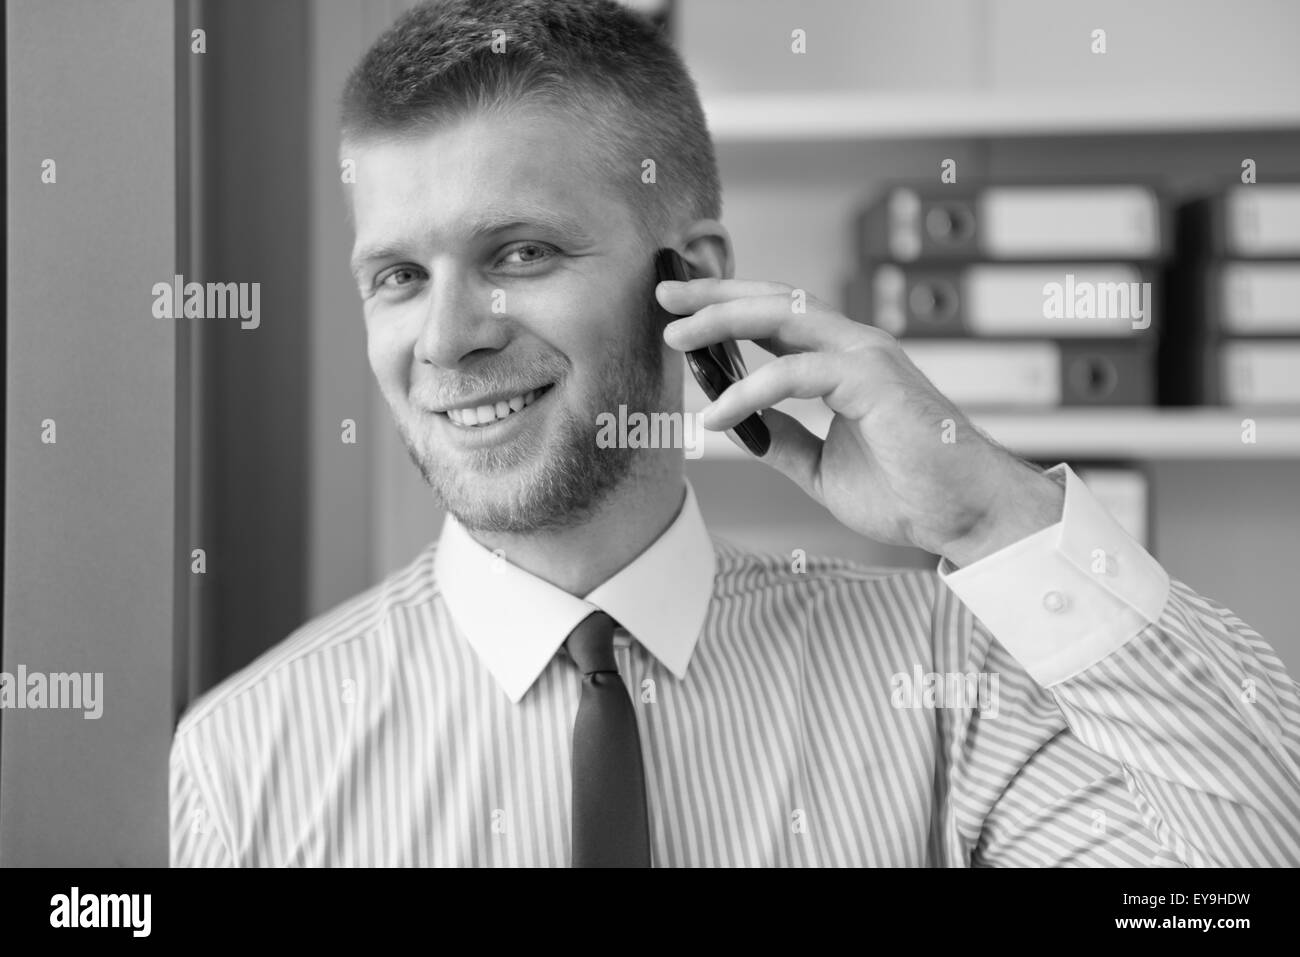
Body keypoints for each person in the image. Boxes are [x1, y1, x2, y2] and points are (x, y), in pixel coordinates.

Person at [169, 0, 1300, 867]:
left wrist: (987, 513)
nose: (449, 337)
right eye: (400, 276)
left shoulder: (949, 683)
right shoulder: (250, 759)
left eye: (520, 253)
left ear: (693, 282)